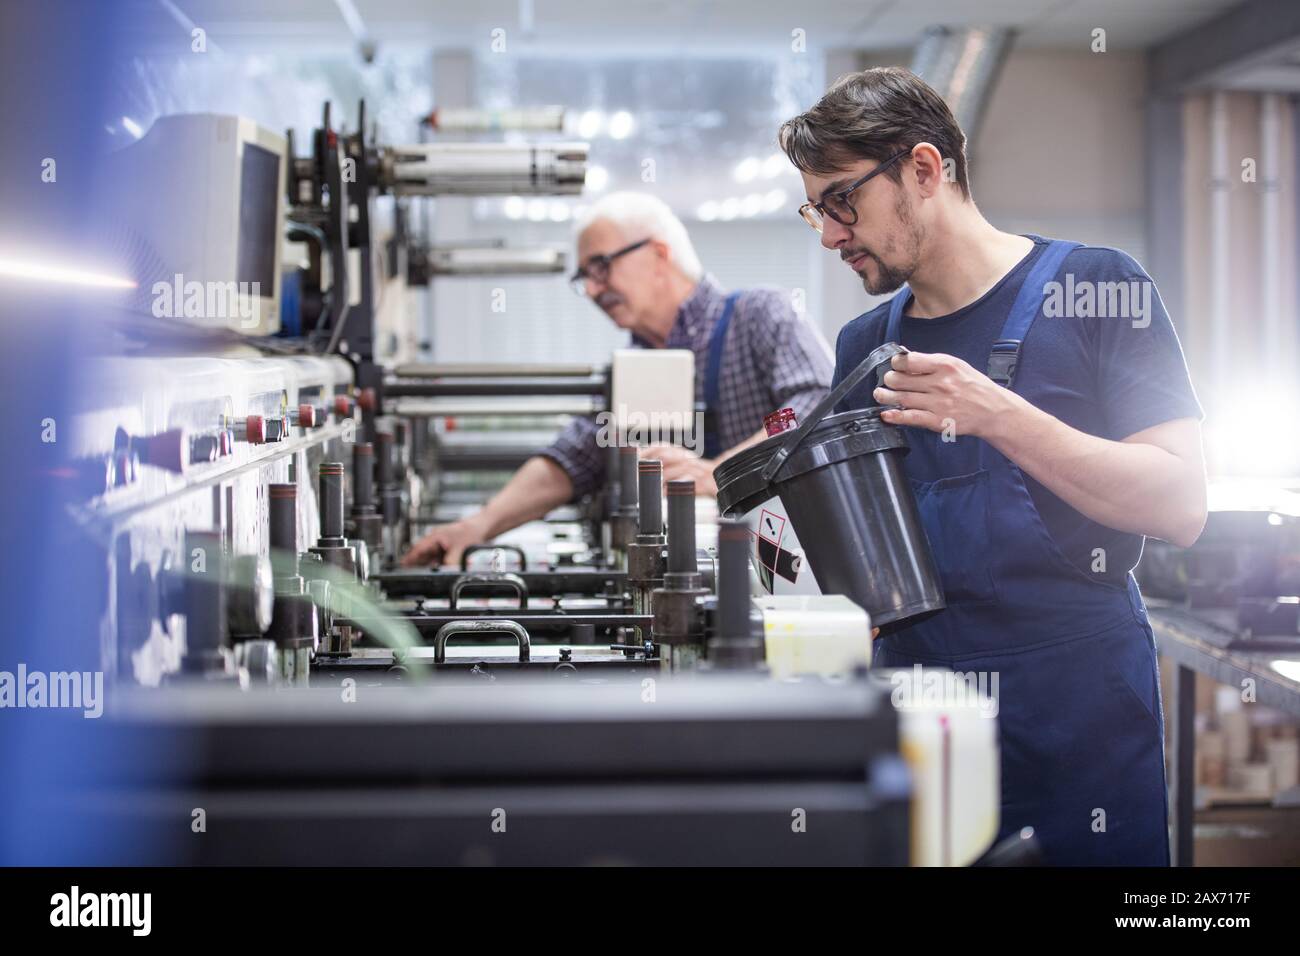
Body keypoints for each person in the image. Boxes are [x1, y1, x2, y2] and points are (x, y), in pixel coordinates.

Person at [779, 67, 1207, 865]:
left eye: (843, 200)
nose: (831, 234)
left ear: (925, 169)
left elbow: (1180, 502)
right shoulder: (863, 349)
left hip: (1078, 724)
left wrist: (998, 416)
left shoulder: (1097, 287)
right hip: (921, 722)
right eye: (817, 211)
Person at [403, 191, 834, 568]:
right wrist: (479, 525)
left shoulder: (762, 315)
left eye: (601, 267)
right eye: (584, 277)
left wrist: (715, 474)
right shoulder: (633, 368)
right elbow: (574, 459)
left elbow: (811, 405)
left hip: (794, 571)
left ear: (659, 255)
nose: (591, 290)